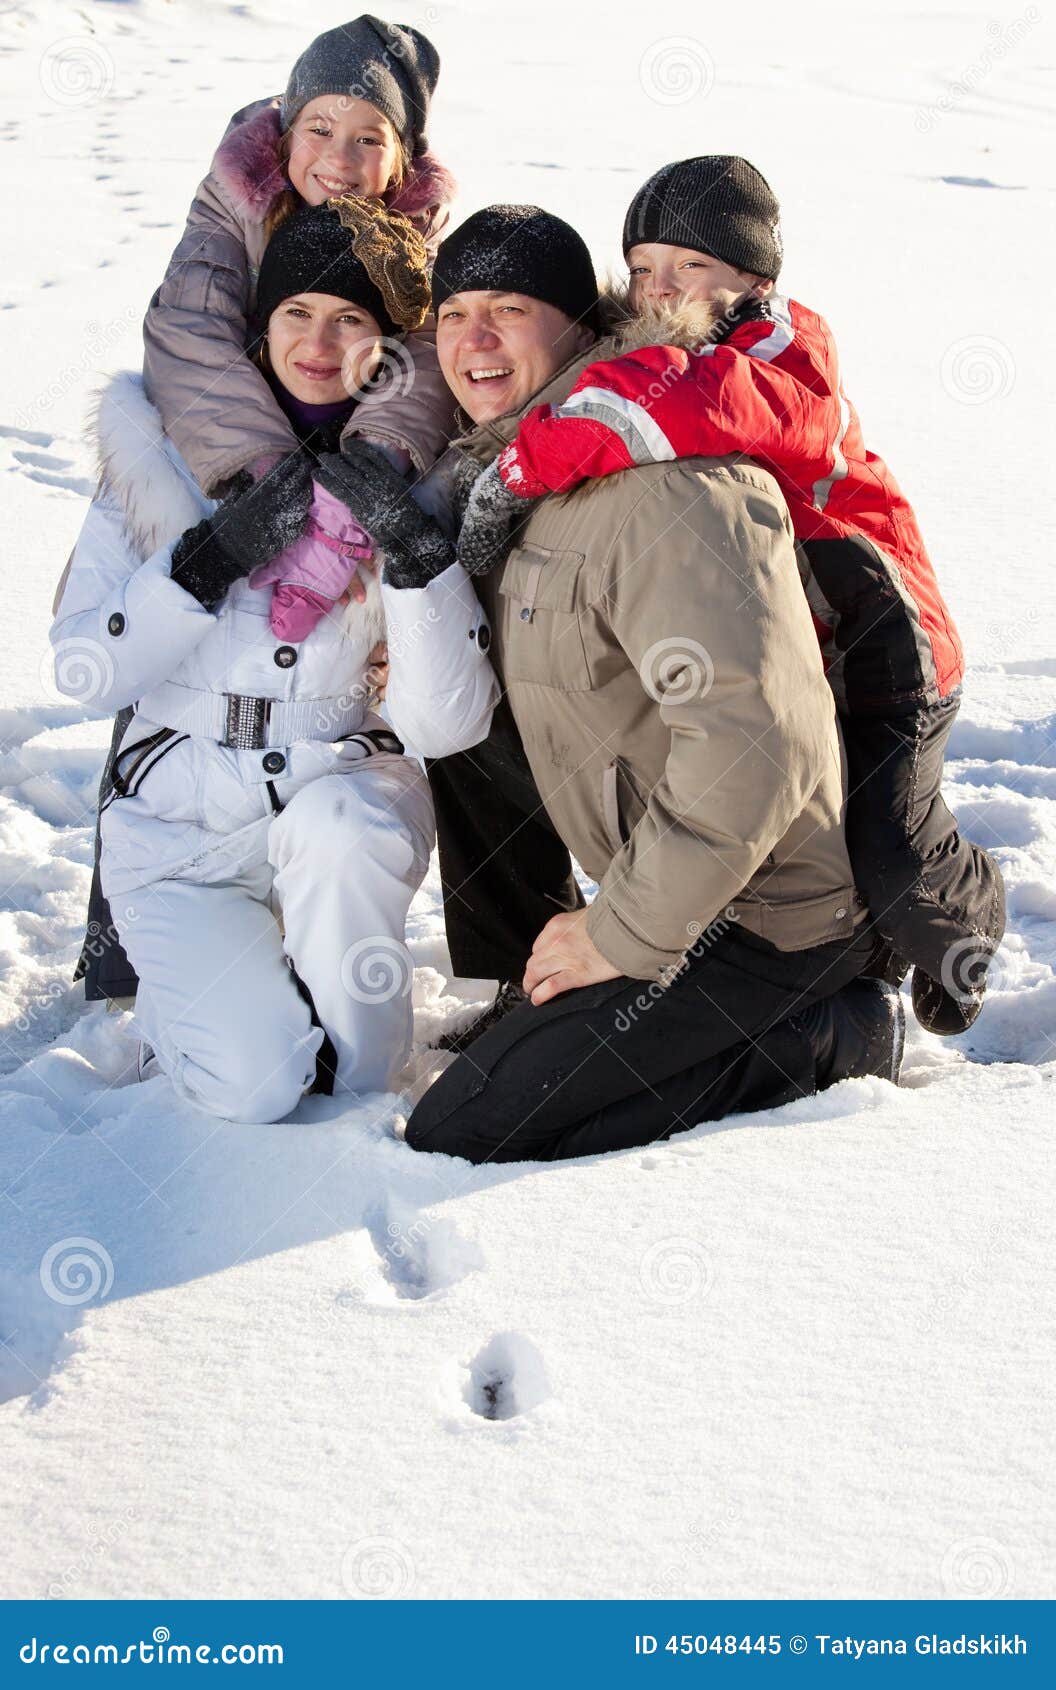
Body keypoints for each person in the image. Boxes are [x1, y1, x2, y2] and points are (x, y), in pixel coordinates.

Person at [318, 205, 905, 1164]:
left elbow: (757, 744)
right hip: (673, 880)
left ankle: (839, 1033)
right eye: (456, 314)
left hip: (770, 914)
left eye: (509, 309)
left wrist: (617, 935)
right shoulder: (524, 476)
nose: (474, 340)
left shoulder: (664, 486)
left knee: (469, 1123)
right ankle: (552, 992)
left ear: (582, 330)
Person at [479, 158, 1006, 1036]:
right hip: (806, 646)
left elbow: (697, 404)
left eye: (689, 266)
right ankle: (860, 950)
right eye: (642, 268)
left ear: (755, 278)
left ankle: (968, 916)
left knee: (893, 848)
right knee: (829, 824)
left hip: (894, 652)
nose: (660, 287)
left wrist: (524, 465)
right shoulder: (672, 359)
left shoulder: (781, 358)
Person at [50, 200, 494, 1123]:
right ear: (263, 323)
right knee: (253, 1086)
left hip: (336, 786)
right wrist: (202, 565)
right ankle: (198, 1010)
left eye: (352, 320)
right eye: (298, 312)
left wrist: (414, 558)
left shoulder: (419, 472)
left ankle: (363, 1084)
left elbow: (443, 724)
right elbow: (85, 668)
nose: (320, 343)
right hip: (181, 828)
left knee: (349, 1047)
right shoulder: (161, 453)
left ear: (387, 345)